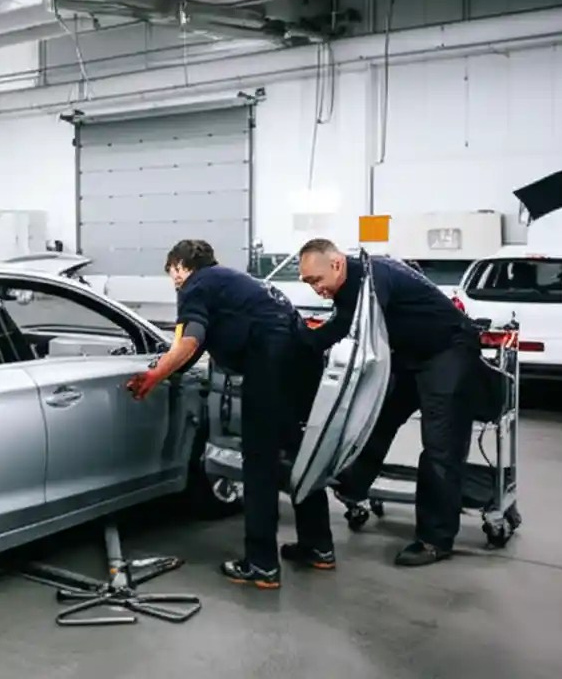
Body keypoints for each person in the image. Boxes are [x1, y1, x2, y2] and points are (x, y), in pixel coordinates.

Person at [127, 240, 331, 590]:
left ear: (178, 266)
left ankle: (262, 565)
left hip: (269, 367)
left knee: (259, 464)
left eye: (171, 273)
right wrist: (171, 365)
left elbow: (189, 341)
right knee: (298, 457)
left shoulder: (195, 285)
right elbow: (196, 347)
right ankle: (318, 547)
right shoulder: (235, 281)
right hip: (301, 367)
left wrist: (154, 375)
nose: (173, 281)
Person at [297, 238, 480, 567]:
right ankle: (353, 482)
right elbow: (341, 326)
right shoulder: (349, 286)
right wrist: (299, 342)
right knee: (377, 416)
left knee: (441, 446)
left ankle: (435, 539)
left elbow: (362, 328)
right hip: (411, 353)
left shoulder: (375, 276)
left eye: (316, 280)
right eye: (308, 283)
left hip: (448, 350)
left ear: (336, 264)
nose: (316, 289)